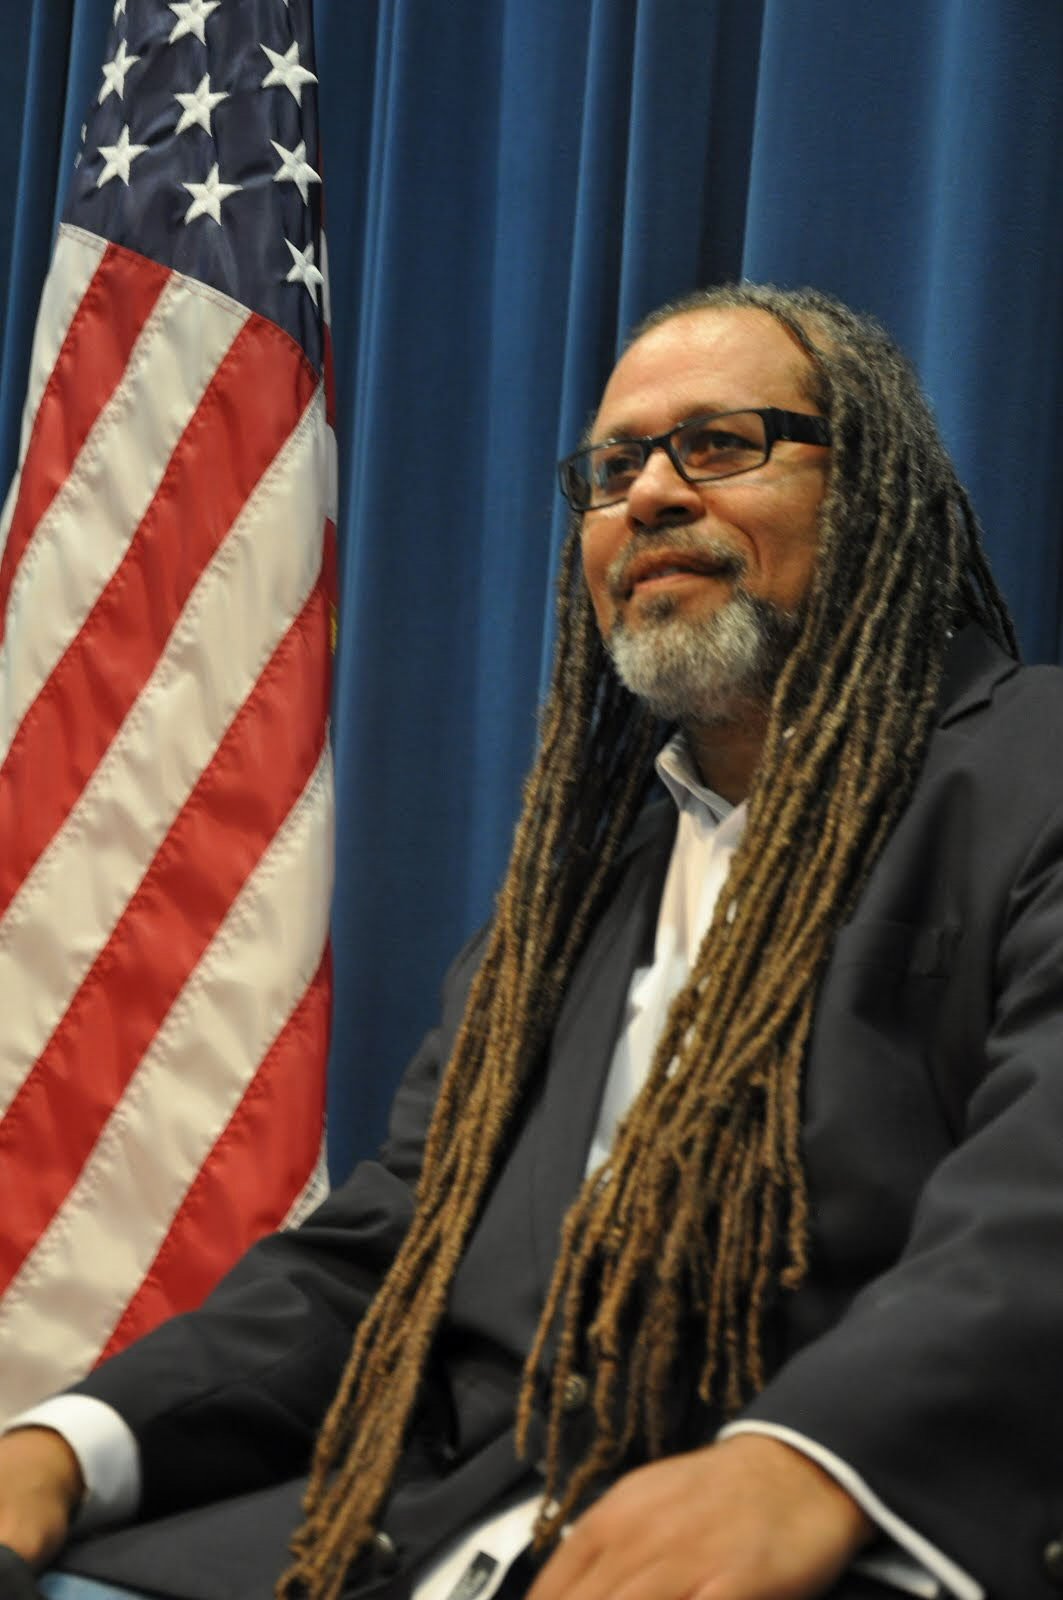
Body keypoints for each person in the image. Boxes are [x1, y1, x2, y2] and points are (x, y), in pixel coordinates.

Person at [2, 282, 1062, 1600]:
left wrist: (816, 1460)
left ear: (874, 491)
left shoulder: (1030, 770)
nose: (651, 495)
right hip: (449, 1529)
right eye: (614, 469)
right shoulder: (575, 896)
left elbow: (1040, 1193)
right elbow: (382, 1261)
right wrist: (67, 1443)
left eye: (719, 444)